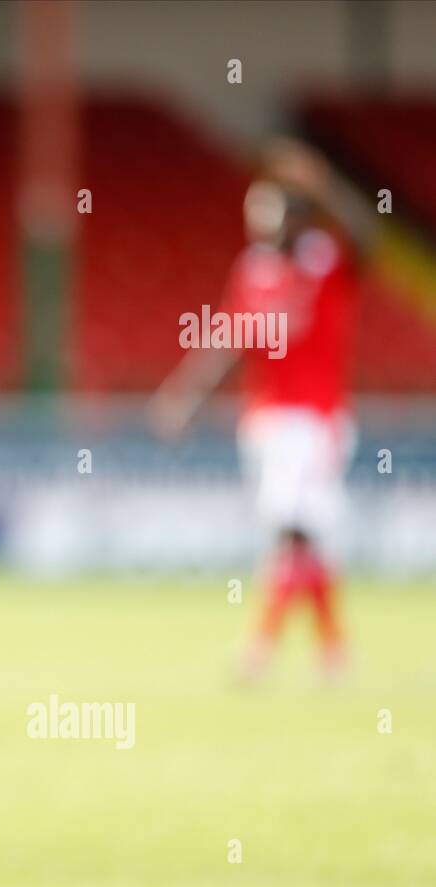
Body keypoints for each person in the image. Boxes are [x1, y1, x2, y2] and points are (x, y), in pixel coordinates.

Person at [149, 139, 372, 684]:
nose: (261, 224)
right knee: (303, 534)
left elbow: (367, 237)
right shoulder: (255, 270)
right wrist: (186, 397)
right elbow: (228, 342)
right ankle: (334, 651)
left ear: (299, 218)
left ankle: (262, 648)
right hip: (269, 420)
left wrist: (321, 187)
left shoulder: (326, 259)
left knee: (293, 531)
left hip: (316, 419)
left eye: (272, 213)